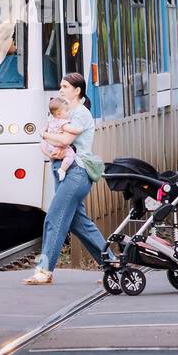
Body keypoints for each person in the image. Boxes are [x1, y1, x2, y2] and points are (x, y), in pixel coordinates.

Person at [26, 72, 114, 285]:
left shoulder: (80, 114)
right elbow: (53, 144)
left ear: (77, 90)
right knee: (79, 223)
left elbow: (65, 139)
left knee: (54, 217)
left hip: (77, 171)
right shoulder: (62, 112)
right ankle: (111, 265)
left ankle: (45, 270)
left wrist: (45, 136)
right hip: (62, 170)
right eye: (61, 85)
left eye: (65, 86)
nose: (61, 89)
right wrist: (48, 149)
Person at [41, 96, 77, 181]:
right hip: (59, 147)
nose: (69, 112)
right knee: (70, 155)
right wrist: (78, 129)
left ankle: (55, 165)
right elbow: (69, 133)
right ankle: (63, 170)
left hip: (50, 148)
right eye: (67, 110)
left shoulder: (50, 121)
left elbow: (42, 132)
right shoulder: (63, 122)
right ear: (59, 114)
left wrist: (42, 133)